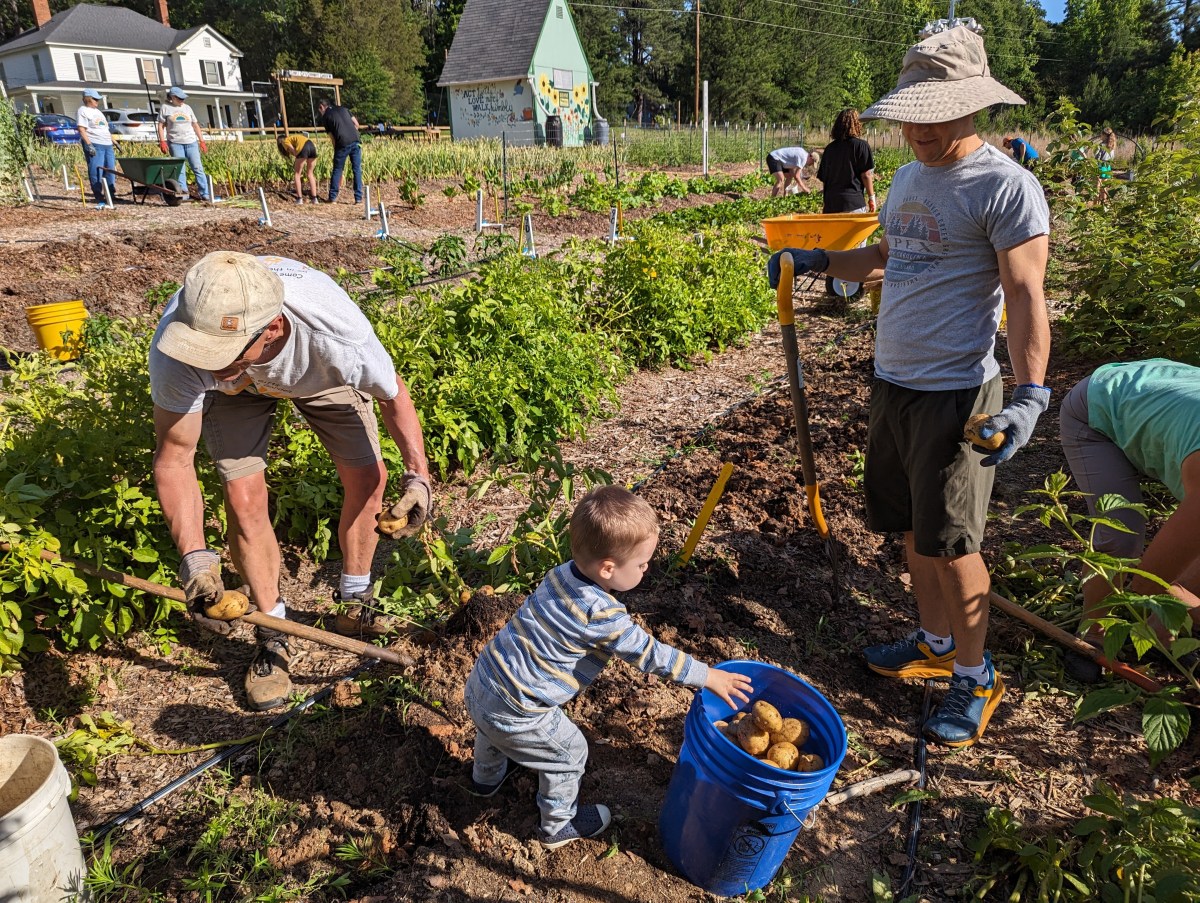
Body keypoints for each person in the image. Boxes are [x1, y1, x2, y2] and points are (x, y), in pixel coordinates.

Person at [767, 25, 1051, 748]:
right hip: (893, 382)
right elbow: (892, 252)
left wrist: (1030, 395)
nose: (918, 130)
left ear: (971, 106)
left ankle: (975, 674)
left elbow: (1025, 296)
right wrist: (816, 261)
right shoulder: (908, 178)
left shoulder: (1007, 187)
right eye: (910, 115)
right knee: (914, 533)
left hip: (957, 392)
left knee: (956, 544)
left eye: (935, 115)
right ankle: (931, 640)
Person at [150, 252, 433, 711]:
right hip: (235, 392)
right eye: (203, 353)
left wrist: (418, 478)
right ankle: (273, 633)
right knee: (243, 500)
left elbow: (394, 396)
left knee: (368, 477)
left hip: (312, 372)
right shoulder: (180, 349)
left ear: (273, 329)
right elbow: (174, 459)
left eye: (222, 354)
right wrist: (196, 560)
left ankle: (354, 604)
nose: (209, 364)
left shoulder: (338, 337)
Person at [465, 485, 753, 848]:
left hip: (483, 681)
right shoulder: (601, 613)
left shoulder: (559, 575)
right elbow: (651, 654)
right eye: (642, 564)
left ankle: (485, 779)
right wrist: (707, 675)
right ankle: (557, 826)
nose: (647, 569)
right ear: (608, 568)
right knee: (570, 753)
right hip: (521, 710)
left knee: (491, 727)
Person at [1058, 359, 1200, 681]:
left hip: (1163, 398)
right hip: (1100, 407)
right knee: (1120, 536)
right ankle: (1092, 633)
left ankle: (1160, 634)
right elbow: (1148, 582)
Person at [817, 108, 877, 214]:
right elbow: (866, 175)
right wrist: (872, 197)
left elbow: (825, 178)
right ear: (857, 124)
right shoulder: (861, 146)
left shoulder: (829, 149)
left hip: (831, 204)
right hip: (853, 203)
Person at [157, 87, 209, 202]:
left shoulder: (187, 108)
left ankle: (205, 194)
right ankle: (184, 193)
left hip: (191, 142)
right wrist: (162, 141)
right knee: (180, 169)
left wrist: (202, 141)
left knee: (198, 168)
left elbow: (195, 125)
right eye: (180, 98)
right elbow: (161, 125)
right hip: (175, 143)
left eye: (183, 98)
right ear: (173, 97)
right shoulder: (165, 108)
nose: (182, 101)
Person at [316, 98, 363, 204]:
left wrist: (335, 149)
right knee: (357, 169)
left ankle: (332, 197)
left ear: (322, 107)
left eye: (320, 110)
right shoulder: (344, 109)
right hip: (356, 140)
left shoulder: (326, 117)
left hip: (342, 143)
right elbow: (356, 124)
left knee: (337, 169)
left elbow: (332, 137)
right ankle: (358, 198)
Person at [76, 88, 116, 205]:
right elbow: (81, 129)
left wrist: (114, 141)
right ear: (88, 99)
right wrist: (89, 144)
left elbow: (105, 128)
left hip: (107, 144)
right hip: (95, 143)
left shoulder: (98, 112)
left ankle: (111, 194)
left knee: (110, 169)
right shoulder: (82, 111)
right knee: (96, 170)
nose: (97, 101)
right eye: (95, 99)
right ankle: (99, 196)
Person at [277, 133, 320, 204]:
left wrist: (296, 155)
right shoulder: (294, 138)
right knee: (310, 174)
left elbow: (294, 151)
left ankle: (299, 199)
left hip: (303, 148)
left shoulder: (285, 141)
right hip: (312, 146)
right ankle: (315, 199)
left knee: (297, 174)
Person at [1097, 126, 1117, 201]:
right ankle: (1104, 202)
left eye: (1101, 135)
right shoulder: (1112, 145)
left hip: (1101, 166)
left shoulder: (1101, 145)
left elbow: (1097, 157)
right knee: (1104, 186)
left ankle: (1096, 204)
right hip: (1108, 167)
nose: (1100, 136)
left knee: (1097, 186)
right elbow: (1112, 157)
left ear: (1105, 135)